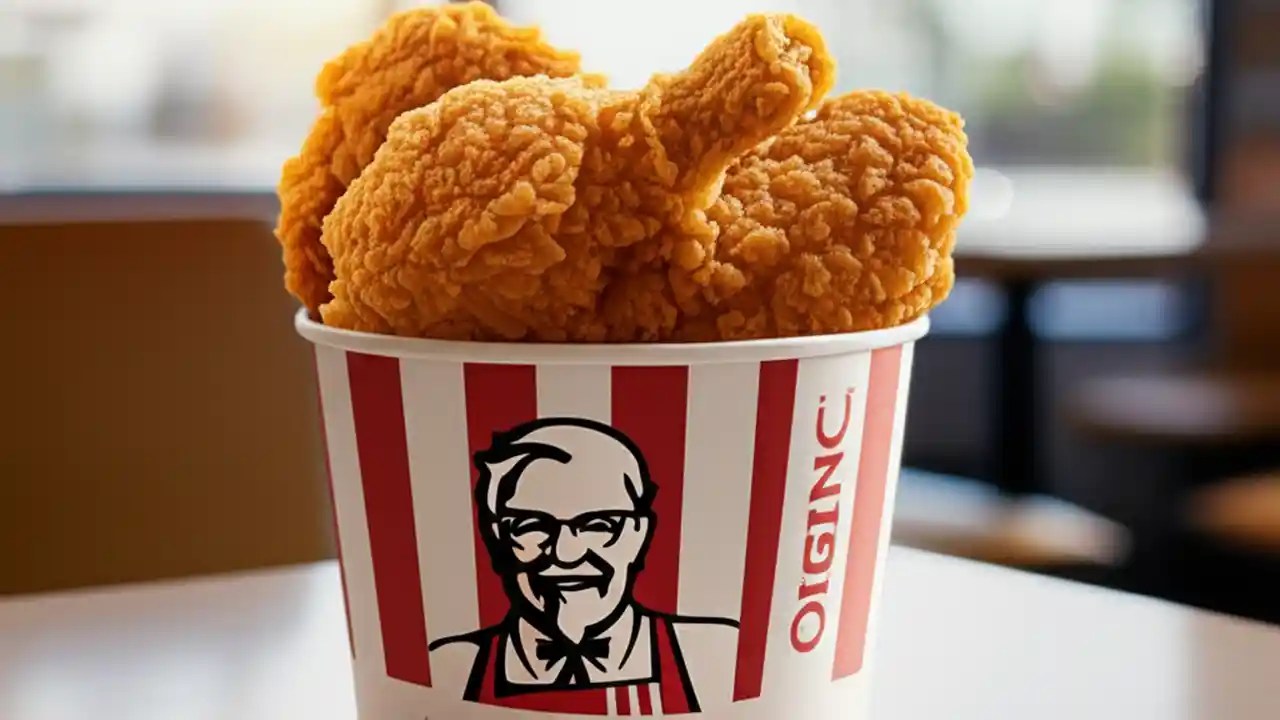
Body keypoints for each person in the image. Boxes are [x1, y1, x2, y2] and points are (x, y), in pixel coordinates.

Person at [431, 418, 736, 713]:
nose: (566, 553)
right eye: (531, 525)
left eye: (599, 524)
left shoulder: (713, 651)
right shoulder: (453, 663)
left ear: (639, 535)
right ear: (497, 538)